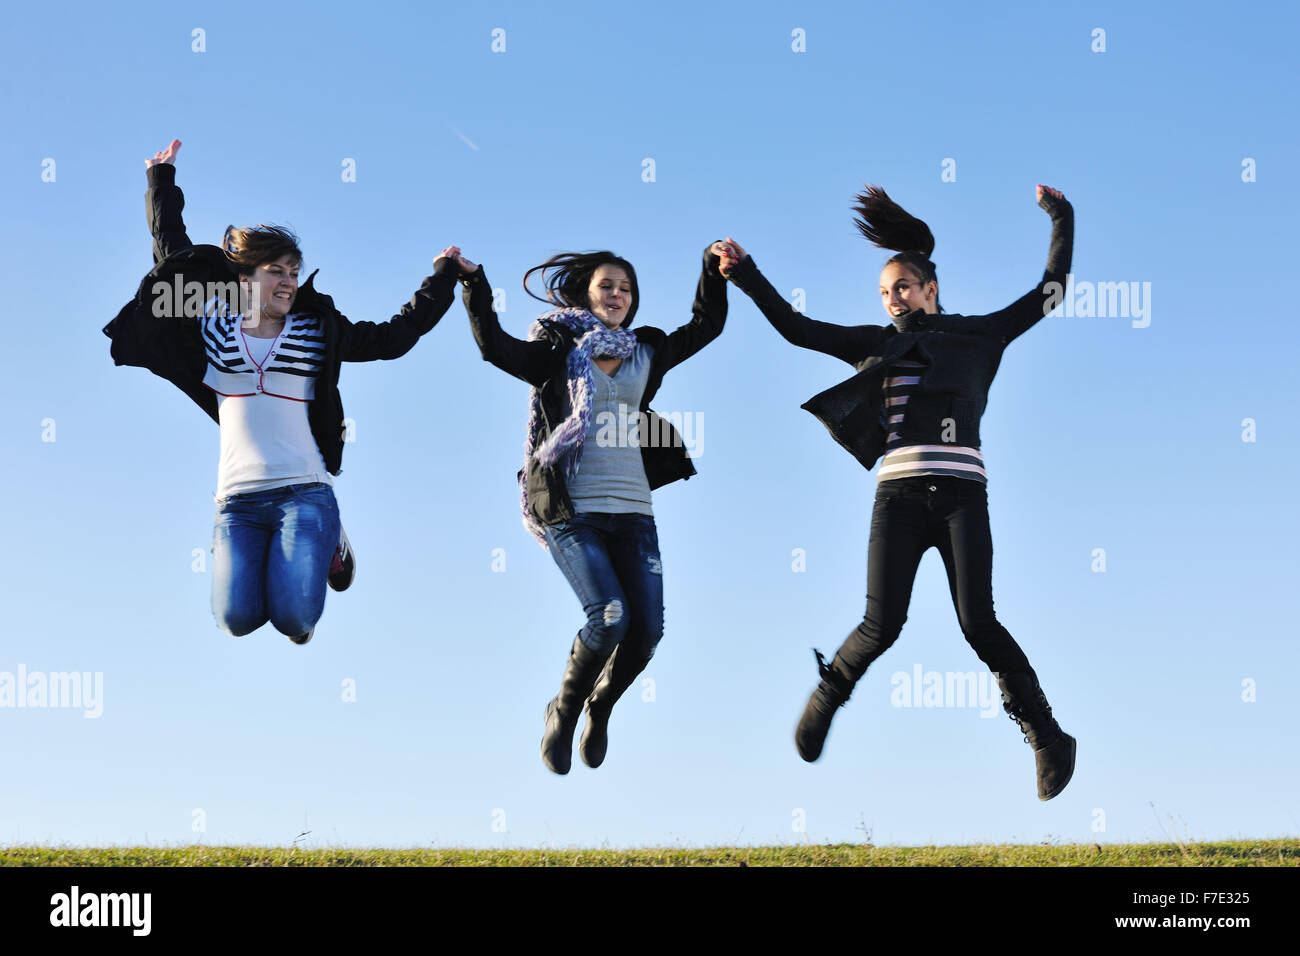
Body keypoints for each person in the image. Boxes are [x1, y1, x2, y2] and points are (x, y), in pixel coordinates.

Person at [719, 184, 1077, 800]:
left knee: (979, 623)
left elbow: (1051, 294)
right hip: (899, 500)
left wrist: (1061, 216)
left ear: (930, 288)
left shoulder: (979, 334)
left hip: (963, 496)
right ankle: (826, 698)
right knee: (880, 623)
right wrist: (746, 274)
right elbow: (796, 328)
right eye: (884, 293)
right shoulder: (874, 343)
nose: (893, 300)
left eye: (903, 288)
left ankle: (1047, 735)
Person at [103, 139, 459, 644]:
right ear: (245, 277)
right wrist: (161, 181)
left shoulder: (317, 329)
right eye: (277, 272)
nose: (289, 282)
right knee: (237, 620)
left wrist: (442, 278)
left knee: (295, 619)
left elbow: (390, 339)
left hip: (305, 490)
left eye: (294, 272)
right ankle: (292, 559)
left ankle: (330, 538)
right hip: (237, 500)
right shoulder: (214, 324)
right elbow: (174, 258)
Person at [451, 241, 731, 773]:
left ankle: (600, 707)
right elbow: (495, 348)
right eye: (608, 286)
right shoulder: (557, 349)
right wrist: (474, 285)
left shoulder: (646, 351)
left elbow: (706, 323)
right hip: (571, 509)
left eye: (627, 289)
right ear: (586, 291)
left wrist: (710, 266)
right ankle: (565, 709)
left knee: (647, 632)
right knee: (608, 616)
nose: (618, 295)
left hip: (634, 512)